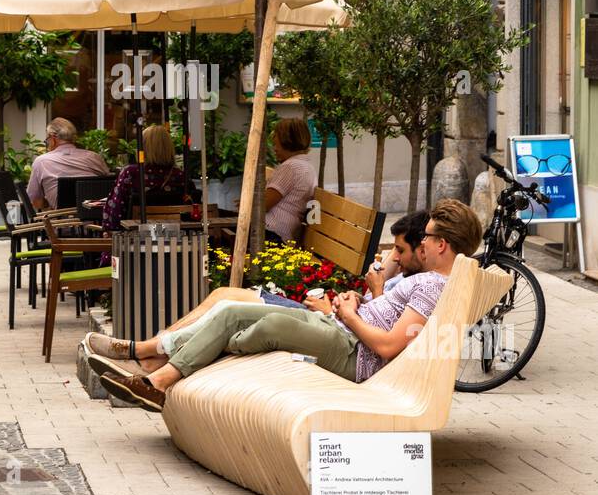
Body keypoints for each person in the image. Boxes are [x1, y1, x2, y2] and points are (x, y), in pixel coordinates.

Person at [89, 199, 483, 412]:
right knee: (228, 312)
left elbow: (387, 347)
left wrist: (345, 314)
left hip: (352, 350)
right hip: (343, 333)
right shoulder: (433, 281)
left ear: (442, 244)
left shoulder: (434, 284)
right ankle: (157, 379)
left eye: (428, 238)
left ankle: (154, 372)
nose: (424, 243)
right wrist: (357, 302)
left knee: (252, 329)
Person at [100, 124, 192, 232]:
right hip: (175, 240)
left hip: (135, 240)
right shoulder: (181, 177)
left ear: (143, 147)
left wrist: (108, 230)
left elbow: (115, 211)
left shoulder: (131, 174)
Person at [27, 118, 109, 211]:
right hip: (97, 221)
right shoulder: (94, 157)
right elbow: (108, 184)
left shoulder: (42, 161)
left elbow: (35, 200)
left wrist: (49, 205)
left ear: (53, 138)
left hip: (62, 222)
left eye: (47, 140)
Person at [265, 118, 318, 243]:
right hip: (284, 232)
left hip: (273, 233)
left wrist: (247, 204)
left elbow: (264, 205)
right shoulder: (307, 166)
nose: (274, 149)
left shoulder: (291, 167)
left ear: (286, 142)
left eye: (276, 144)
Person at [362, 209, 430, 300]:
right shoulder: (407, 273)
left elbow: (380, 313)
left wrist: (376, 289)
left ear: (422, 250)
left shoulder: (421, 289)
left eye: (401, 251)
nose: (395, 258)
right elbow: (367, 300)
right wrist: (357, 299)